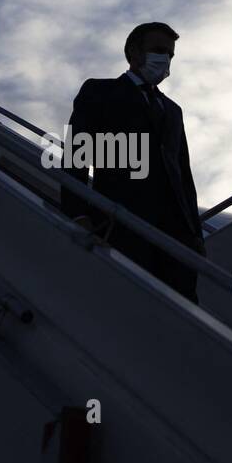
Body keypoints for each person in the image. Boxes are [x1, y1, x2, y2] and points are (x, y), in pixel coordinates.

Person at [60, 22, 205, 302]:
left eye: (170, 54)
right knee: (131, 302)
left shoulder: (173, 110)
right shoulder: (100, 91)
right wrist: (77, 212)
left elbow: (183, 174)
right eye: (159, 50)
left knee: (183, 310)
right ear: (133, 53)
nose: (165, 59)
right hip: (123, 219)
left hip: (177, 234)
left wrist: (195, 232)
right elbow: (77, 153)